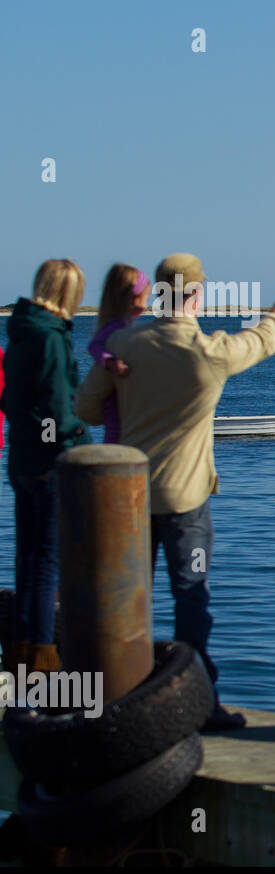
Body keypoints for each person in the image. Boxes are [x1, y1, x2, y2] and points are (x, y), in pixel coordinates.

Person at [75, 254, 275, 731]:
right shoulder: (209, 353)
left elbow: (86, 409)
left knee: (128, 598)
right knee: (191, 599)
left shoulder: (122, 343)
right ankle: (197, 702)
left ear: (159, 293)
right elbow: (259, 343)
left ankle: (119, 700)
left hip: (127, 499)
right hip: (185, 499)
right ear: (198, 295)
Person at [2, 259, 92, 674]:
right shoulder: (52, 339)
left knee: (27, 559)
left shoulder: (19, 332)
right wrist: (83, 440)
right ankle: (42, 662)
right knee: (48, 565)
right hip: (51, 465)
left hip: (21, 459)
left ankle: (20, 651)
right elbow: (59, 410)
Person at [87, 264, 148, 443]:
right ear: (132, 298)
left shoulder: (121, 327)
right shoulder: (116, 328)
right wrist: (111, 362)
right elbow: (94, 345)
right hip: (119, 413)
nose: (146, 304)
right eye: (145, 297)